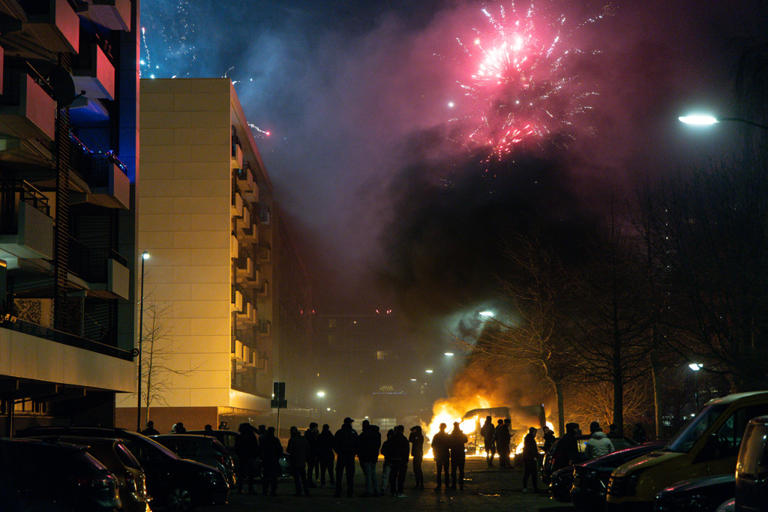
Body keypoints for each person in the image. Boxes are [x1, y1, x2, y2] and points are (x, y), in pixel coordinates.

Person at [333, 417, 358, 497]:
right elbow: (357, 444)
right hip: (350, 457)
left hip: (341, 456)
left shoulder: (339, 432)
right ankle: (350, 492)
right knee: (350, 476)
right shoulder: (353, 432)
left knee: (339, 476)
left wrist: (339, 452)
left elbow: (335, 444)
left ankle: (338, 492)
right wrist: (354, 453)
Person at [358, 420, 381, 496]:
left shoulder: (363, 435)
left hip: (365, 457)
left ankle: (369, 491)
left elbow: (360, 446)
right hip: (373, 456)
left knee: (368, 475)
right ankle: (376, 490)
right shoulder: (376, 434)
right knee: (373, 473)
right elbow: (378, 445)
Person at [235, 423, 259, 494]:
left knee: (242, 474)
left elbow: (237, 447)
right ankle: (250, 489)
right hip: (250, 457)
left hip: (243, 457)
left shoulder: (240, 437)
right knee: (250, 475)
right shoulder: (252, 437)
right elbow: (255, 447)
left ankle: (240, 489)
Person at [287, 426, 311, 496]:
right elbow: (308, 449)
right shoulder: (304, 439)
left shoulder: (292, 440)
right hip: (302, 461)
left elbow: (289, 450)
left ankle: (299, 491)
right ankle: (306, 491)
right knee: (303, 478)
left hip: (295, 461)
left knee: (297, 478)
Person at [260, 427, 283, 496]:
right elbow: (279, 450)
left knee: (266, 477)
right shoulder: (275, 440)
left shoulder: (264, 440)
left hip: (266, 461)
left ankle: (265, 491)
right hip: (273, 461)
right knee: (273, 478)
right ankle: (272, 491)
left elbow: (261, 450)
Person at [388, 425, 410, 497]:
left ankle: (393, 491)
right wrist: (406, 460)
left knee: (393, 476)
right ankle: (400, 492)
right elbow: (406, 451)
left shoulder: (392, 439)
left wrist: (390, 458)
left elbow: (389, 449)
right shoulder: (404, 439)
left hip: (394, 460)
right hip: (402, 461)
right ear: (402, 430)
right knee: (401, 477)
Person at [448, 422, 468, 490]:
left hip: (454, 454)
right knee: (461, 470)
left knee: (453, 470)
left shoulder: (452, 435)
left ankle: (454, 485)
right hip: (461, 454)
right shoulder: (461, 434)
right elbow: (466, 440)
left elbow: (449, 444)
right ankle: (461, 485)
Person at [431, 423, 450, 490]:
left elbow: (433, 446)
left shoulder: (436, 436)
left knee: (439, 471)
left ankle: (439, 485)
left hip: (439, 455)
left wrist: (435, 455)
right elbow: (450, 446)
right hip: (445, 455)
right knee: (446, 471)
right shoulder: (447, 436)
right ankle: (447, 485)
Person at [522, 427, 539, 492]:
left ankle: (525, 487)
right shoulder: (530, 439)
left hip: (527, 458)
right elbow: (532, 449)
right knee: (533, 474)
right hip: (530, 459)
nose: (535, 434)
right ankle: (534, 488)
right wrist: (536, 456)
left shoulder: (528, 438)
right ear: (533, 432)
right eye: (535, 432)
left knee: (527, 473)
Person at [409, 425, 425, 490]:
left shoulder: (419, 437)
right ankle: (418, 483)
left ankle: (420, 484)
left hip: (418, 455)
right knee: (416, 470)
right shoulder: (417, 436)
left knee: (418, 469)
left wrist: (412, 433)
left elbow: (412, 440)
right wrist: (412, 433)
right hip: (417, 455)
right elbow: (410, 440)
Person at [305, 422, 320, 487]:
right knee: (311, 468)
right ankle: (310, 480)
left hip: (310, 453)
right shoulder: (312, 434)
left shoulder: (308, 434)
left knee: (311, 468)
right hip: (312, 453)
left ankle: (310, 480)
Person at [380, 429, 394, 493]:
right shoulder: (395, 443)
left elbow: (382, 451)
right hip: (394, 461)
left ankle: (384, 488)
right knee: (393, 476)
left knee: (385, 475)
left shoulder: (386, 443)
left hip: (388, 461)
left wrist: (386, 454)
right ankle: (392, 488)